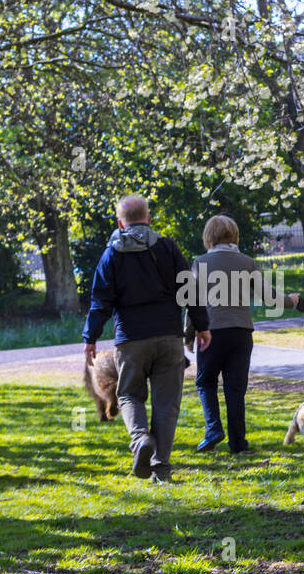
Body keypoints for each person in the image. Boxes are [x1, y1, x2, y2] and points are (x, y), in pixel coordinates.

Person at [83, 195, 210, 483]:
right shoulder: (166, 246)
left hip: (131, 339)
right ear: (149, 219)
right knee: (166, 404)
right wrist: (201, 326)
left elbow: (100, 301)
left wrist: (90, 337)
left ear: (120, 223)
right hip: (168, 337)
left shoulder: (110, 255)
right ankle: (161, 469)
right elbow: (189, 288)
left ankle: (140, 438)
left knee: (128, 394)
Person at [192, 215, 304, 455]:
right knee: (235, 389)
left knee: (205, 381)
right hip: (241, 333)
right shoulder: (246, 262)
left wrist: (188, 333)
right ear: (234, 235)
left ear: (208, 236)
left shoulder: (200, 263)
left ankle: (213, 428)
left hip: (211, 332)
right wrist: (292, 301)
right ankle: (238, 444)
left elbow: (193, 303)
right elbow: (269, 296)